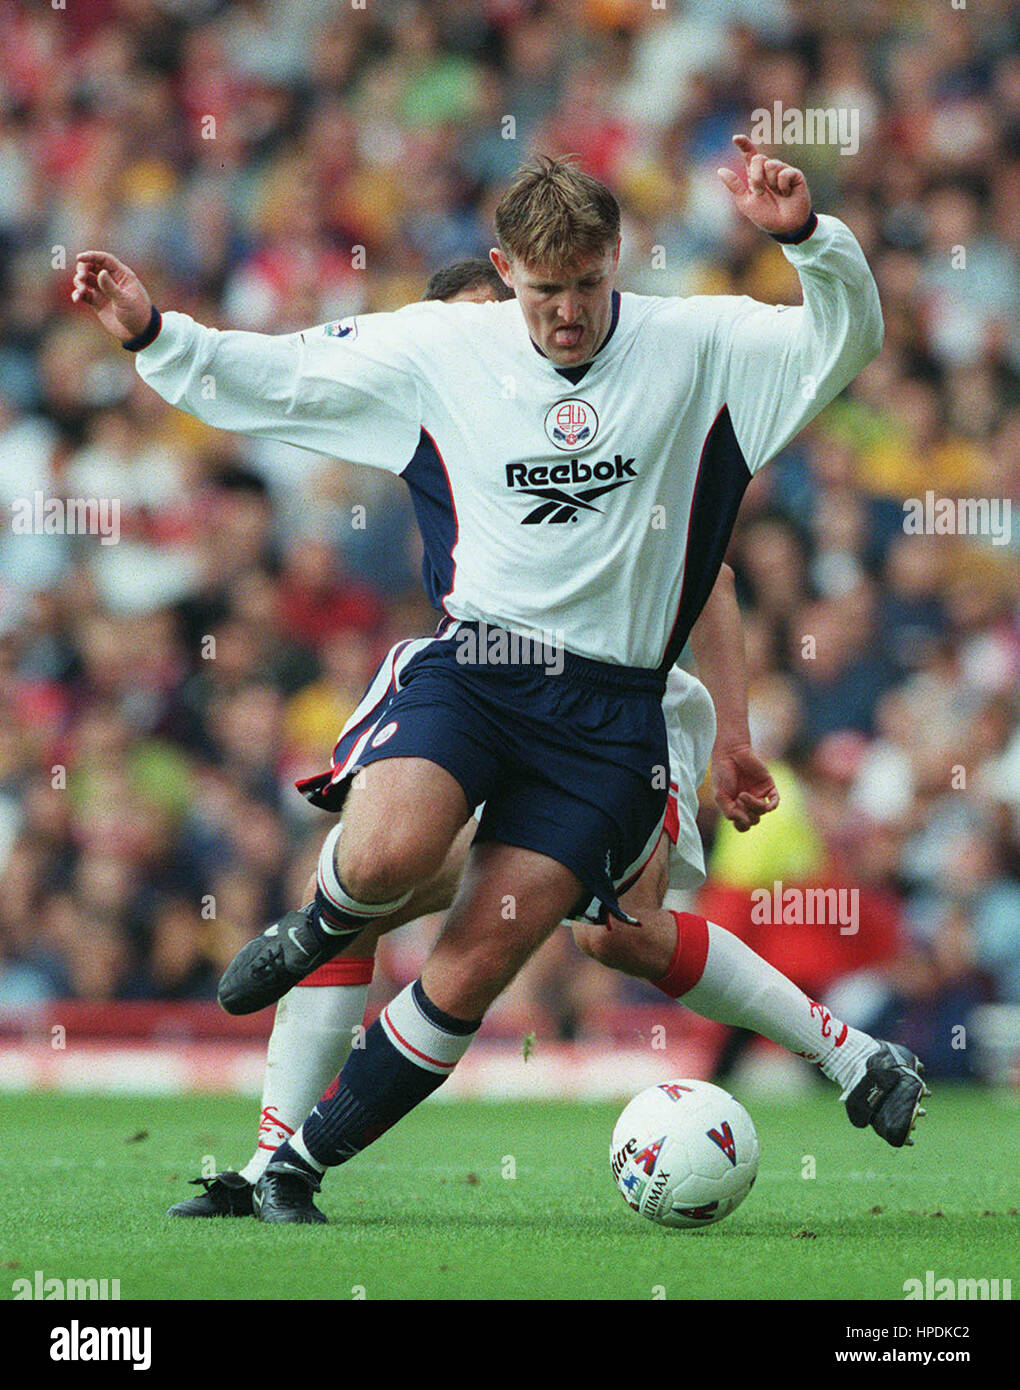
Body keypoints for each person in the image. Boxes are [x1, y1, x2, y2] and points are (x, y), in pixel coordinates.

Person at [75, 138, 924, 1227]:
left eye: (583, 286)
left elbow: (842, 337)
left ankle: (295, 1164)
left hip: (617, 712)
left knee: (498, 957)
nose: (565, 314)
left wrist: (810, 240)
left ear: (617, 257)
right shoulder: (445, 347)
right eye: (540, 292)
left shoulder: (699, 341)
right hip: (481, 665)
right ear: (500, 271)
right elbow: (286, 370)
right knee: (381, 857)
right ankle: (320, 935)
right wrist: (158, 336)